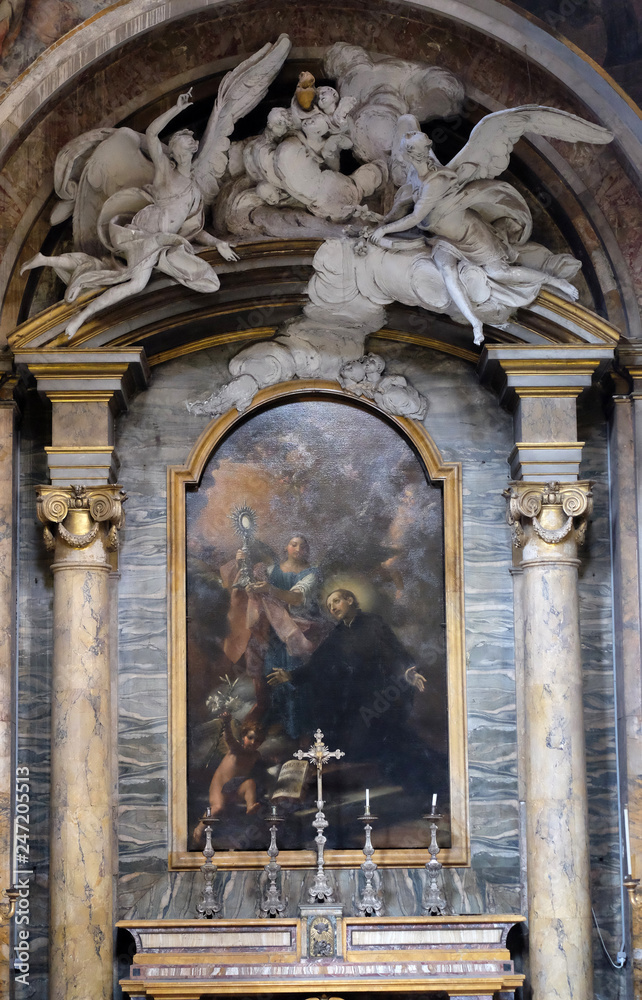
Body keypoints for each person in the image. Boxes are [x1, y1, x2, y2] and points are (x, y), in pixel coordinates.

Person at [23, 91, 239, 340]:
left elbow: (192, 229)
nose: (188, 141)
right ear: (175, 152)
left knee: (211, 282)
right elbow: (152, 135)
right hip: (145, 233)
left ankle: (49, 262)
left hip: (167, 244)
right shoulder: (165, 174)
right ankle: (80, 317)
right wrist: (177, 109)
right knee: (135, 284)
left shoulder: (194, 191)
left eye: (190, 140)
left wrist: (218, 243)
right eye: (181, 141)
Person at [370, 130, 579, 345]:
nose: (415, 157)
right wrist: (383, 222)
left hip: (472, 234)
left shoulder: (437, 180)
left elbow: (416, 216)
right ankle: (475, 323)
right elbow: (404, 202)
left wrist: (384, 231)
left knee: (500, 272)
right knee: (447, 271)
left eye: (419, 151)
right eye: (411, 152)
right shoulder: (414, 176)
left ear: (427, 150)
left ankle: (555, 281)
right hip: (445, 239)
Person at [268, 588, 425, 770]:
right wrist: (291, 675)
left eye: (336, 601)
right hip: (353, 699)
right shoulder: (338, 633)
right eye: (329, 606)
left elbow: (395, 651)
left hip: (379, 694)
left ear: (350, 600)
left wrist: (406, 672)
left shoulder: (373, 623)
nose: (332, 608)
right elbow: (319, 662)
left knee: (387, 746)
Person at [221, 535, 329, 739]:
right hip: (274, 635)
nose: (299, 549)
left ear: (308, 550)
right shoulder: (269, 571)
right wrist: (241, 564)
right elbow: (246, 586)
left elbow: (296, 598)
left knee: (296, 679)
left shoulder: (313, 573)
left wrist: (268, 589)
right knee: (271, 677)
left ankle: (301, 731)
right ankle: (280, 727)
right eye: (294, 544)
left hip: (300, 633)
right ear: (286, 548)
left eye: (304, 546)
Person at [193, 711, 264, 844]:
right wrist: (226, 722)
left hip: (235, 789)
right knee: (218, 808)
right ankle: (199, 828)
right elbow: (228, 738)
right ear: (243, 736)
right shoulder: (236, 748)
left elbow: (261, 769)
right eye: (250, 738)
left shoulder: (256, 755)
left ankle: (250, 806)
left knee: (250, 783)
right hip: (219, 787)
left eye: (258, 741)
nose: (253, 743)